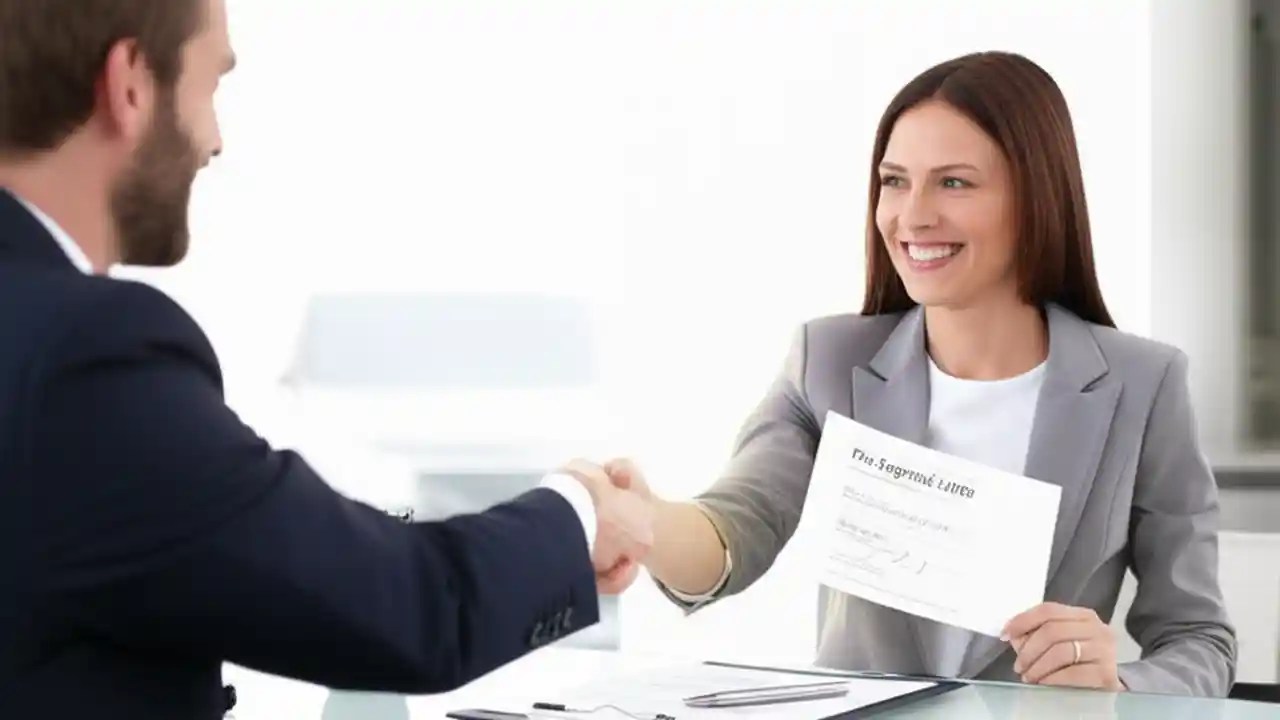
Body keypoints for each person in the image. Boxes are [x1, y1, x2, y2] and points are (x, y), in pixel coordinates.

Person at [0, 1, 652, 717]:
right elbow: (407, 609)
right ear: (129, 85)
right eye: (211, 84)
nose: (214, 141)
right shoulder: (84, 361)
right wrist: (580, 514)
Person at [600, 51, 1237, 696]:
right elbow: (735, 529)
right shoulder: (828, 362)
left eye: (954, 183)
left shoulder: (1143, 385)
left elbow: (1199, 641)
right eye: (896, 181)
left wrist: (1120, 686)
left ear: (1037, 195)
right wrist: (645, 522)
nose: (913, 216)